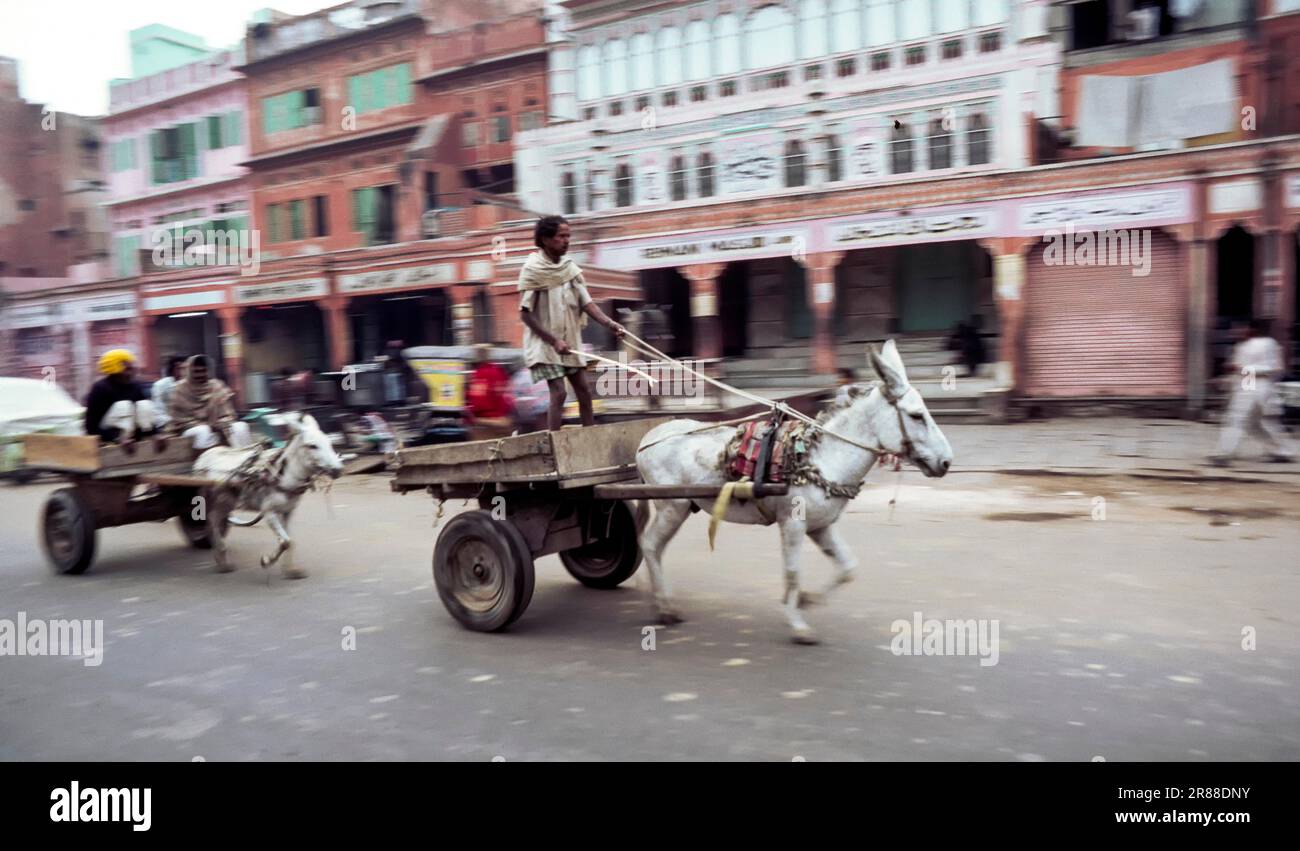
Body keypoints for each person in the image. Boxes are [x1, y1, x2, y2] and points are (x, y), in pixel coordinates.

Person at [518, 215, 625, 431]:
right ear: (546, 239)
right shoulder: (533, 269)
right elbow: (525, 315)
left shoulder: (570, 269)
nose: (567, 240)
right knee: (559, 392)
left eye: (568, 236)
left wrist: (610, 323)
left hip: (570, 343)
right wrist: (554, 340)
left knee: (585, 390)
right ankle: (554, 445)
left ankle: (589, 439)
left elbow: (587, 303)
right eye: (561, 236)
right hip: (545, 346)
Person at [1210, 319, 1295, 466]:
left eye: (1240, 327)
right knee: (1252, 424)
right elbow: (1240, 373)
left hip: (1261, 387)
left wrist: (1242, 368)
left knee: (1238, 419)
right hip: (1247, 386)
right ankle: (1280, 451)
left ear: (1251, 329)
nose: (1236, 331)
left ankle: (1223, 454)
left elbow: (1273, 367)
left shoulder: (1268, 343)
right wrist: (1224, 380)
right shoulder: (1240, 347)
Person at [167, 354, 253, 450]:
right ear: (189, 372)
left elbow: (228, 414)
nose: (201, 375)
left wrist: (221, 424)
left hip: (218, 426)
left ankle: (245, 456)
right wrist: (206, 425)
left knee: (240, 427)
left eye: (203, 371)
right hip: (190, 429)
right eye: (196, 371)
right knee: (203, 431)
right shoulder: (180, 389)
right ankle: (206, 461)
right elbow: (178, 421)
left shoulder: (217, 386)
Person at [84, 348, 158, 446]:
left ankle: (147, 437)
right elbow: (91, 427)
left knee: (144, 404)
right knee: (124, 405)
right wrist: (116, 438)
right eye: (127, 370)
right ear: (114, 370)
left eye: (131, 369)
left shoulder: (136, 386)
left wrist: (157, 434)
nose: (130, 373)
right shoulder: (100, 388)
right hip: (111, 438)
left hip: (134, 436)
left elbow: (146, 415)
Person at [465, 345, 512, 420]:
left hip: (485, 420)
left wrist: (469, 412)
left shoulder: (479, 374)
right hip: (501, 419)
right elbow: (506, 395)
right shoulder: (499, 371)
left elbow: (478, 401)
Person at [151, 355, 186, 428]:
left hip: (189, 423)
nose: (182, 372)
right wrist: (172, 421)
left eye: (185, 369)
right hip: (167, 425)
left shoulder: (192, 385)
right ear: (172, 370)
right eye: (179, 368)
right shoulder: (160, 385)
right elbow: (158, 412)